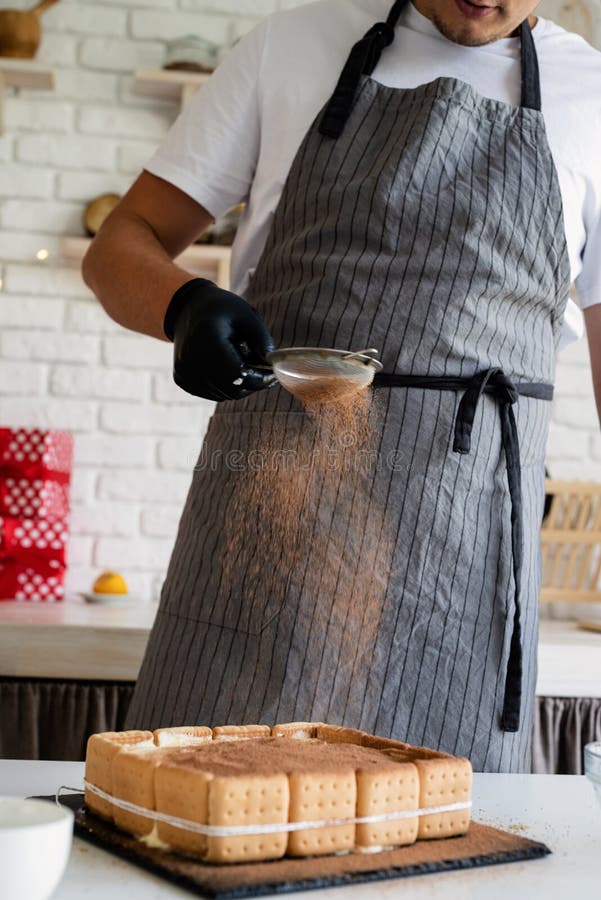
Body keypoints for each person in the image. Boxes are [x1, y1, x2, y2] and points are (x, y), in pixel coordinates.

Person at [82, 0, 601, 772]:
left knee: (450, 852)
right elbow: (122, 244)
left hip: (463, 552)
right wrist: (181, 305)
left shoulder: (589, 92)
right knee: (211, 817)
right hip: (268, 529)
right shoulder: (289, 46)